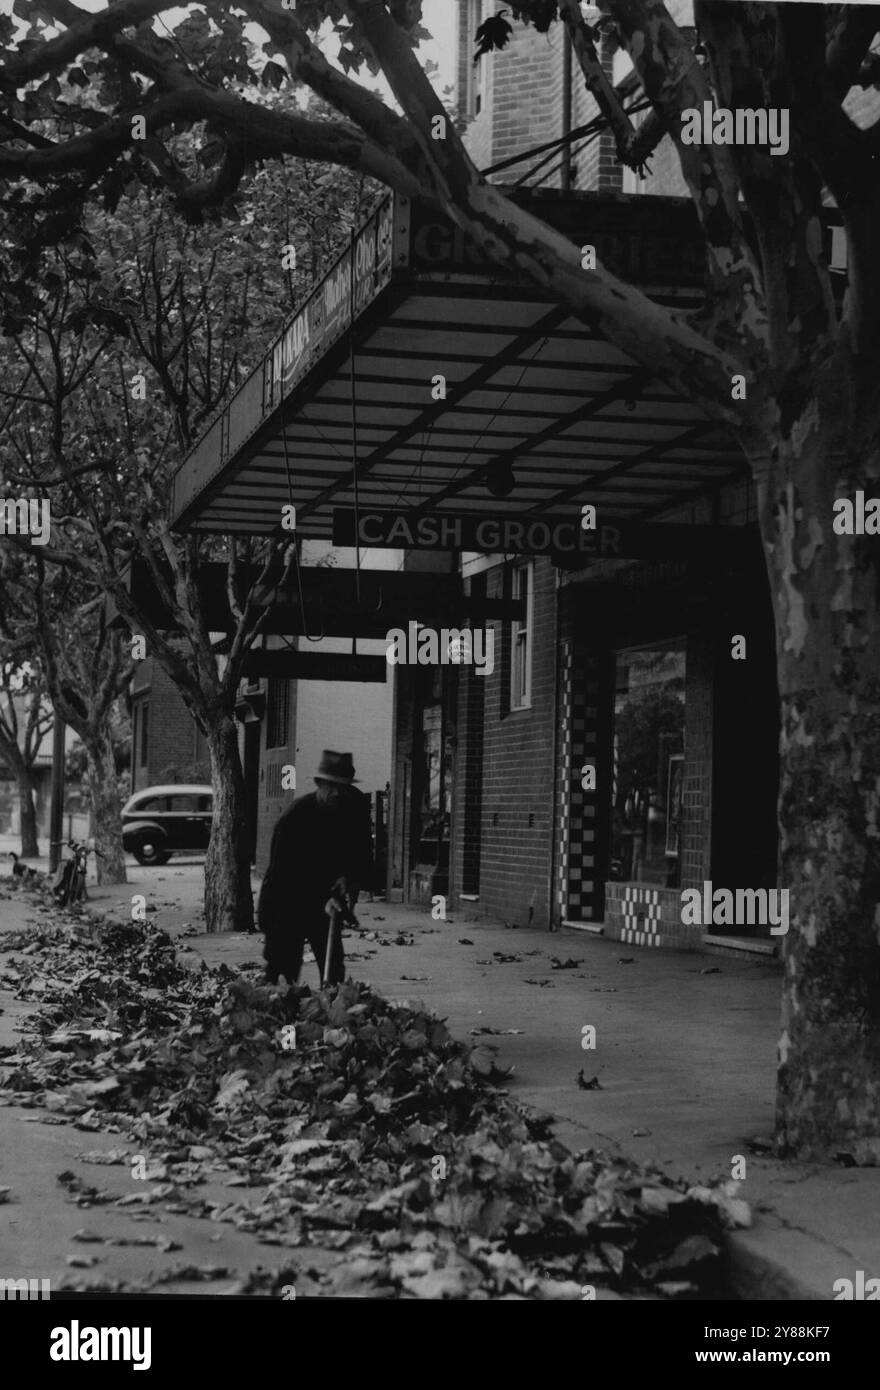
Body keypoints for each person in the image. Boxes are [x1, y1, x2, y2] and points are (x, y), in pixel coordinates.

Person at [258, 750, 373, 986]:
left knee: (333, 969)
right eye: (330, 786)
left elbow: (362, 855)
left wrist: (347, 878)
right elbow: (286, 874)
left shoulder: (353, 811)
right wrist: (323, 898)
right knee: (282, 971)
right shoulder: (296, 817)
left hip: (327, 901)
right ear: (319, 784)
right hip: (286, 902)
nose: (336, 793)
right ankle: (278, 1014)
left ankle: (331, 1010)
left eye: (342, 787)